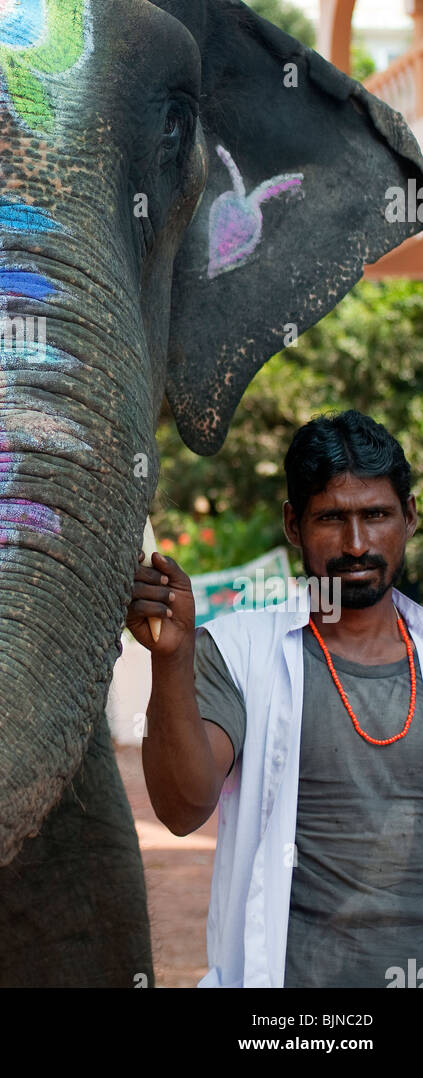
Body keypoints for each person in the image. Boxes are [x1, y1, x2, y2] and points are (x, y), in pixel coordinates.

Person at [127, 410, 423, 988]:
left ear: (409, 518)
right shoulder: (239, 652)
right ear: (294, 525)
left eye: (377, 515)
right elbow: (182, 809)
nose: (357, 543)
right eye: (332, 518)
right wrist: (171, 658)